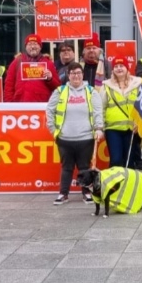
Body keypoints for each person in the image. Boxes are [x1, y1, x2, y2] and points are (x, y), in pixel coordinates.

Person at [46, 62, 105, 205]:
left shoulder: (91, 92)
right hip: (65, 138)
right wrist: (54, 130)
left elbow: (98, 112)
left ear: (82, 74)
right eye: (73, 73)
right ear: (68, 75)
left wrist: (99, 129)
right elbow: (50, 110)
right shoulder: (60, 91)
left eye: (78, 73)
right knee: (66, 167)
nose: (76, 76)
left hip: (85, 138)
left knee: (84, 167)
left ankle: (86, 193)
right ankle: (63, 194)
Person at [103, 57, 142, 170]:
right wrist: (100, 127)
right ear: (112, 70)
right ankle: (116, 186)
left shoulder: (137, 84)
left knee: (129, 162)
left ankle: (128, 186)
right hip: (112, 128)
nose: (119, 68)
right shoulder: (106, 86)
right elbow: (101, 108)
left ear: (127, 68)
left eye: (121, 66)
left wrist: (140, 123)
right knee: (116, 160)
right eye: (116, 66)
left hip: (131, 129)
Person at [5, 34, 61, 102]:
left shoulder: (48, 63)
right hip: (20, 104)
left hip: (41, 105)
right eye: (30, 44)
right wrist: (9, 103)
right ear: (26, 47)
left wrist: (50, 79)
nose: (32, 47)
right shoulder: (17, 62)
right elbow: (9, 84)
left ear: (40, 47)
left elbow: (58, 88)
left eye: (35, 44)